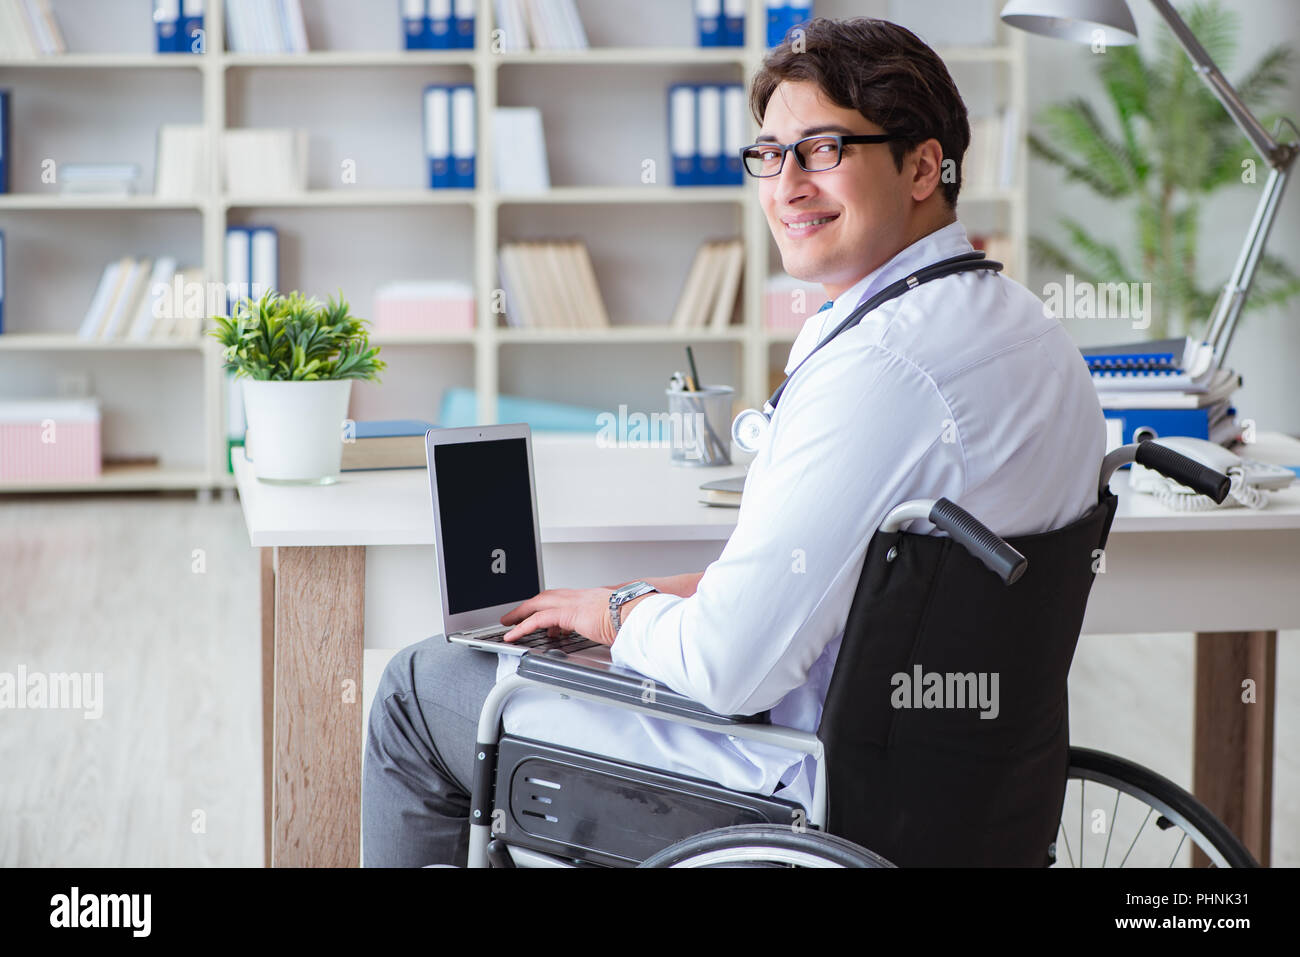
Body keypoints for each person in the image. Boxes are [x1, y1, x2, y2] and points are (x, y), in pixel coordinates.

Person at [362, 16, 1106, 867]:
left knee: (420, 688)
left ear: (921, 166)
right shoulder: (1030, 331)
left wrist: (614, 615)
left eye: (823, 149)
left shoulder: (881, 367)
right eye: (770, 154)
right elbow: (862, 585)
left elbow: (731, 669)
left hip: (794, 799)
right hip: (966, 805)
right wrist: (633, 597)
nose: (787, 184)